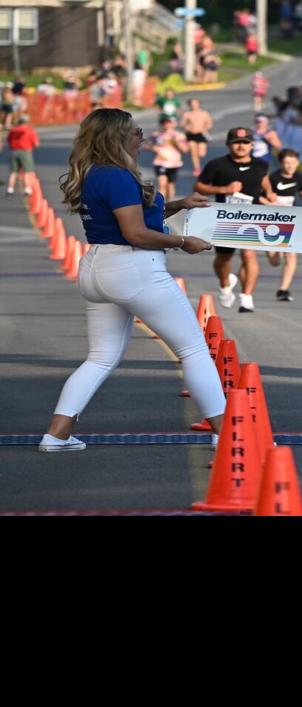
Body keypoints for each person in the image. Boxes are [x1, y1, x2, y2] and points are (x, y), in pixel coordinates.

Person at [39, 108, 221, 452]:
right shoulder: (119, 176)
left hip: (97, 267)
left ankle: (56, 434)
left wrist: (178, 204)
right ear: (118, 137)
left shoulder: (94, 173)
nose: (143, 138)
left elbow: (130, 216)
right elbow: (136, 232)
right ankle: (228, 434)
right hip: (133, 268)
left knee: (100, 358)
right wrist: (184, 242)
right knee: (194, 349)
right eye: (137, 132)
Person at [196, 127, 271, 313]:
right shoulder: (217, 165)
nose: (241, 146)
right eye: (237, 143)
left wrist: (270, 193)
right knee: (223, 258)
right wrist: (223, 190)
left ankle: (247, 297)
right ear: (229, 144)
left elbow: (264, 179)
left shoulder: (261, 164)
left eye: (245, 143)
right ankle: (225, 283)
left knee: (248, 254)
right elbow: (199, 186)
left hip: (253, 217)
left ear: (252, 145)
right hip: (226, 218)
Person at [261, 148, 302, 301]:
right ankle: (269, 250)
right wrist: (270, 204)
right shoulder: (273, 178)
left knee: (291, 255)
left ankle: (283, 290)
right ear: (281, 163)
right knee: (275, 261)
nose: (290, 166)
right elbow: (259, 198)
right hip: (271, 221)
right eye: (287, 163)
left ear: (297, 163)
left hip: (290, 221)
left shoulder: (299, 179)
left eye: (293, 163)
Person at [146, 114, 186, 201]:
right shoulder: (156, 135)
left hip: (174, 163)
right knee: (162, 184)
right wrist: (154, 148)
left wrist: (176, 142)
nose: (167, 125)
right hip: (160, 162)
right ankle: (162, 205)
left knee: (171, 185)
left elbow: (185, 150)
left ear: (174, 124)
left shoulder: (179, 135)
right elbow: (146, 145)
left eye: (170, 123)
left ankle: (170, 203)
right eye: (165, 123)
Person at [6, 113, 39, 196]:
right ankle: (27, 189)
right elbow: (36, 144)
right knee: (27, 171)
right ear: (27, 121)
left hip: (14, 151)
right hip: (25, 152)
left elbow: (9, 140)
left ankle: (10, 189)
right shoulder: (29, 130)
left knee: (13, 172)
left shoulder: (13, 131)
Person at [180, 98, 213, 176]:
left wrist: (205, 128)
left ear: (199, 104)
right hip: (191, 134)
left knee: (202, 153)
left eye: (195, 103)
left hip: (201, 134)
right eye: (192, 104)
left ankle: (197, 162)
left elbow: (209, 123)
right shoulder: (187, 114)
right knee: (193, 151)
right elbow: (182, 124)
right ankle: (197, 168)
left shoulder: (204, 113)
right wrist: (186, 127)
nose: (194, 105)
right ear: (189, 105)